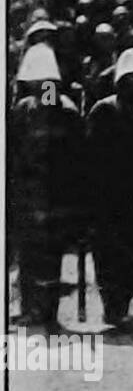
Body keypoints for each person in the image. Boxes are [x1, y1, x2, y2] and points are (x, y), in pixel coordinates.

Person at [8, 45, 84, 330]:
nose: (45, 89)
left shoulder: (67, 112)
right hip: (29, 194)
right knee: (28, 255)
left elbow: (77, 161)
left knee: (51, 256)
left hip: (57, 195)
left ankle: (48, 313)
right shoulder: (23, 111)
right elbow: (14, 153)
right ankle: (30, 308)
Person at [86, 49, 133, 330]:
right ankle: (112, 308)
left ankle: (123, 306)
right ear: (121, 81)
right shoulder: (104, 110)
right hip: (107, 196)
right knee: (107, 253)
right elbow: (89, 157)